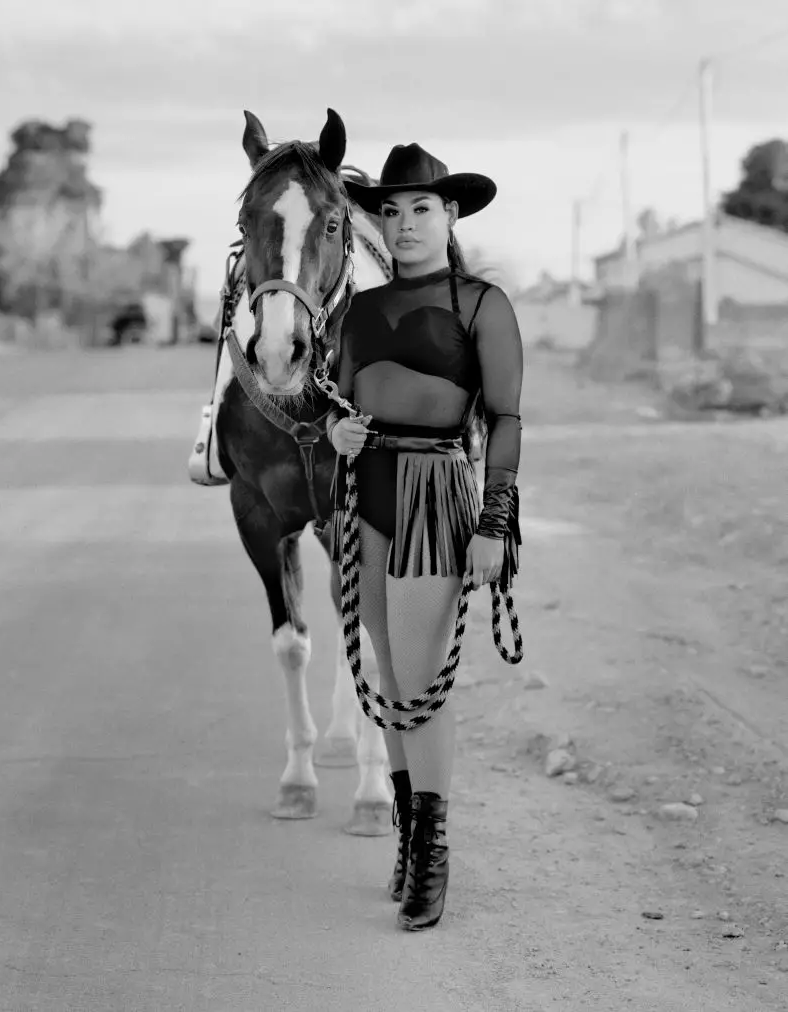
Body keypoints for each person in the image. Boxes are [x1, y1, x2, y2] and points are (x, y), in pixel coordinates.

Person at [327, 143, 523, 931]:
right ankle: (410, 841)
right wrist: (337, 428)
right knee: (392, 678)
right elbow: (339, 401)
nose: (405, 224)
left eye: (421, 209)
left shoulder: (482, 303)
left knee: (421, 674)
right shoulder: (359, 312)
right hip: (364, 500)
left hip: (437, 497)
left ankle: (434, 857)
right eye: (393, 211)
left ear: (450, 216)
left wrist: (495, 523)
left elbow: (505, 418)